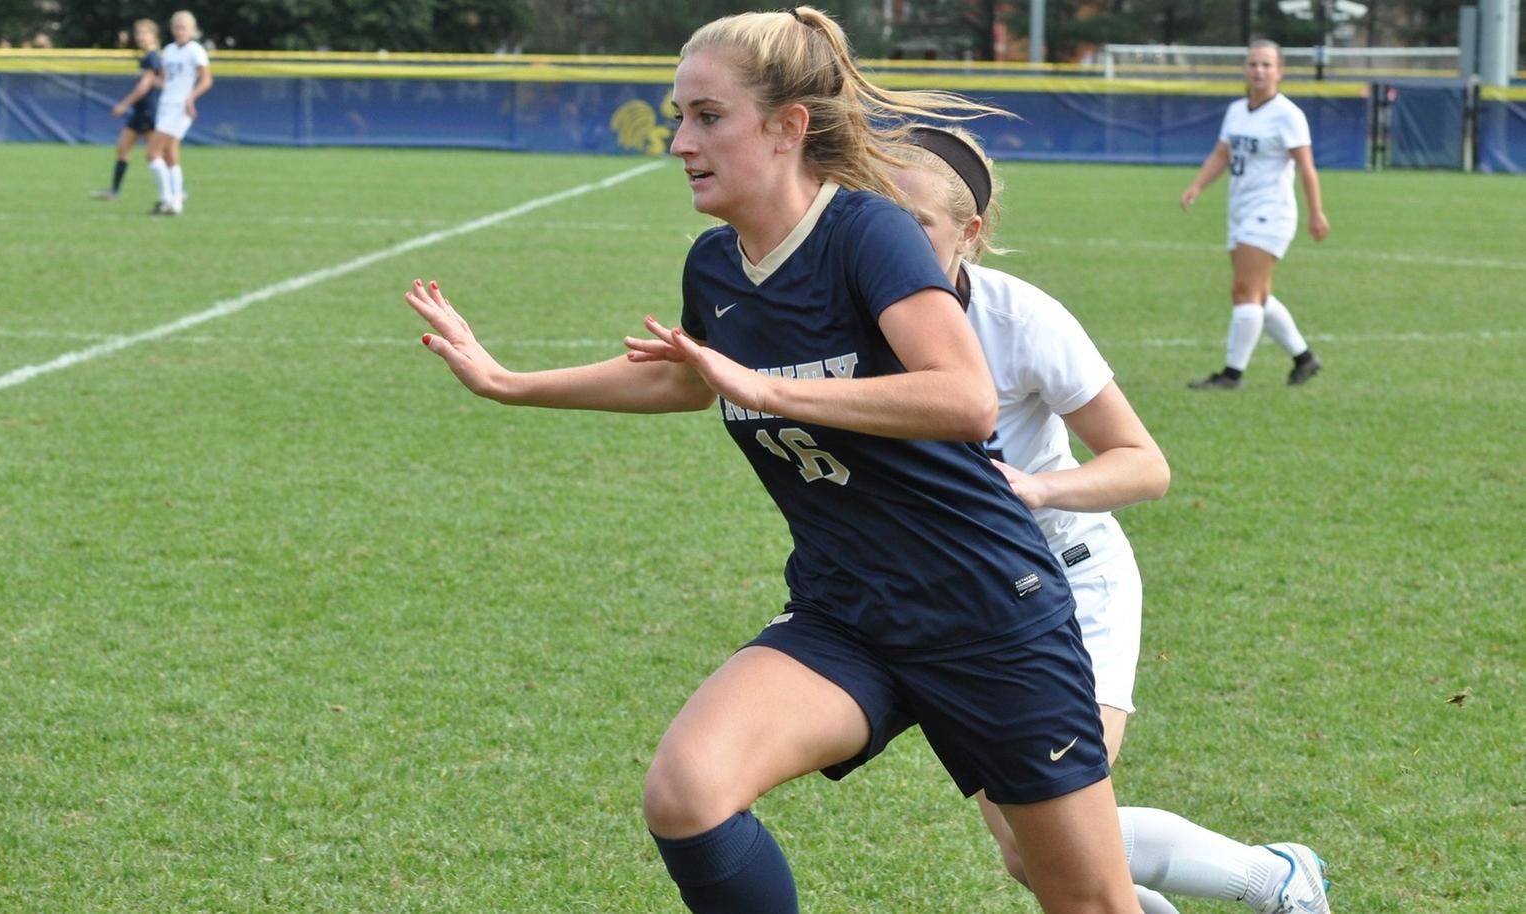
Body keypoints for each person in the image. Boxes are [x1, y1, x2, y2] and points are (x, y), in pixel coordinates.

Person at [407, 8, 1143, 914]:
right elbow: (687, 382)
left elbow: (963, 397)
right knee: (687, 793)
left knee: (1086, 904)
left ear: (788, 126)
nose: (680, 141)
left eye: (708, 117)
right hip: (850, 612)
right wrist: (508, 381)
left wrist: (765, 386)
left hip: (986, 613)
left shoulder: (867, 233)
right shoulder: (716, 265)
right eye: (678, 115)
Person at [894, 125, 1333, 914]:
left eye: (916, 223)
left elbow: (1145, 465)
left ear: (971, 233)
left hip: (1071, 583)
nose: (892, 240)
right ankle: (1273, 878)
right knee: (1028, 851)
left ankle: (1277, 882)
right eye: (876, 217)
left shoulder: (1019, 318)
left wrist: (1034, 489)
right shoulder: (858, 321)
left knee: (1058, 833)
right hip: (975, 600)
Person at [1181, 40, 1327, 390]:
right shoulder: (1237, 110)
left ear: (1279, 71)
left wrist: (1316, 213)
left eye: (1266, 65)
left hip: (1271, 212)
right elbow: (1222, 154)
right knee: (1258, 294)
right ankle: (1304, 359)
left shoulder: (1288, 114)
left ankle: (1233, 375)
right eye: (1253, 64)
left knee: (1244, 290)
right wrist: (1197, 186)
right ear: (1244, 69)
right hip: (1241, 210)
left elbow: (1306, 167)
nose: (1258, 71)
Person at [145, 10, 211, 216]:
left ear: (192, 30)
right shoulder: (169, 50)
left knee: (152, 153)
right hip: (165, 104)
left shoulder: (196, 51)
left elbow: (206, 80)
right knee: (170, 155)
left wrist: (191, 98)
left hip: (179, 108)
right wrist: (149, 79)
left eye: (184, 28)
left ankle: (167, 200)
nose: (180, 31)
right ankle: (176, 204)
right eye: (177, 27)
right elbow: (166, 80)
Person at [91, 19, 163, 202]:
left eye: (144, 33)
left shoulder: (152, 57)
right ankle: (114, 191)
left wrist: (124, 104)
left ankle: (174, 192)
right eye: (138, 33)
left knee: (154, 155)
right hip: (140, 112)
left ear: (154, 35)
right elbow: (161, 82)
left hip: (148, 111)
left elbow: (143, 87)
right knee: (123, 149)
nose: (140, 37)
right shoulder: (147, 57)